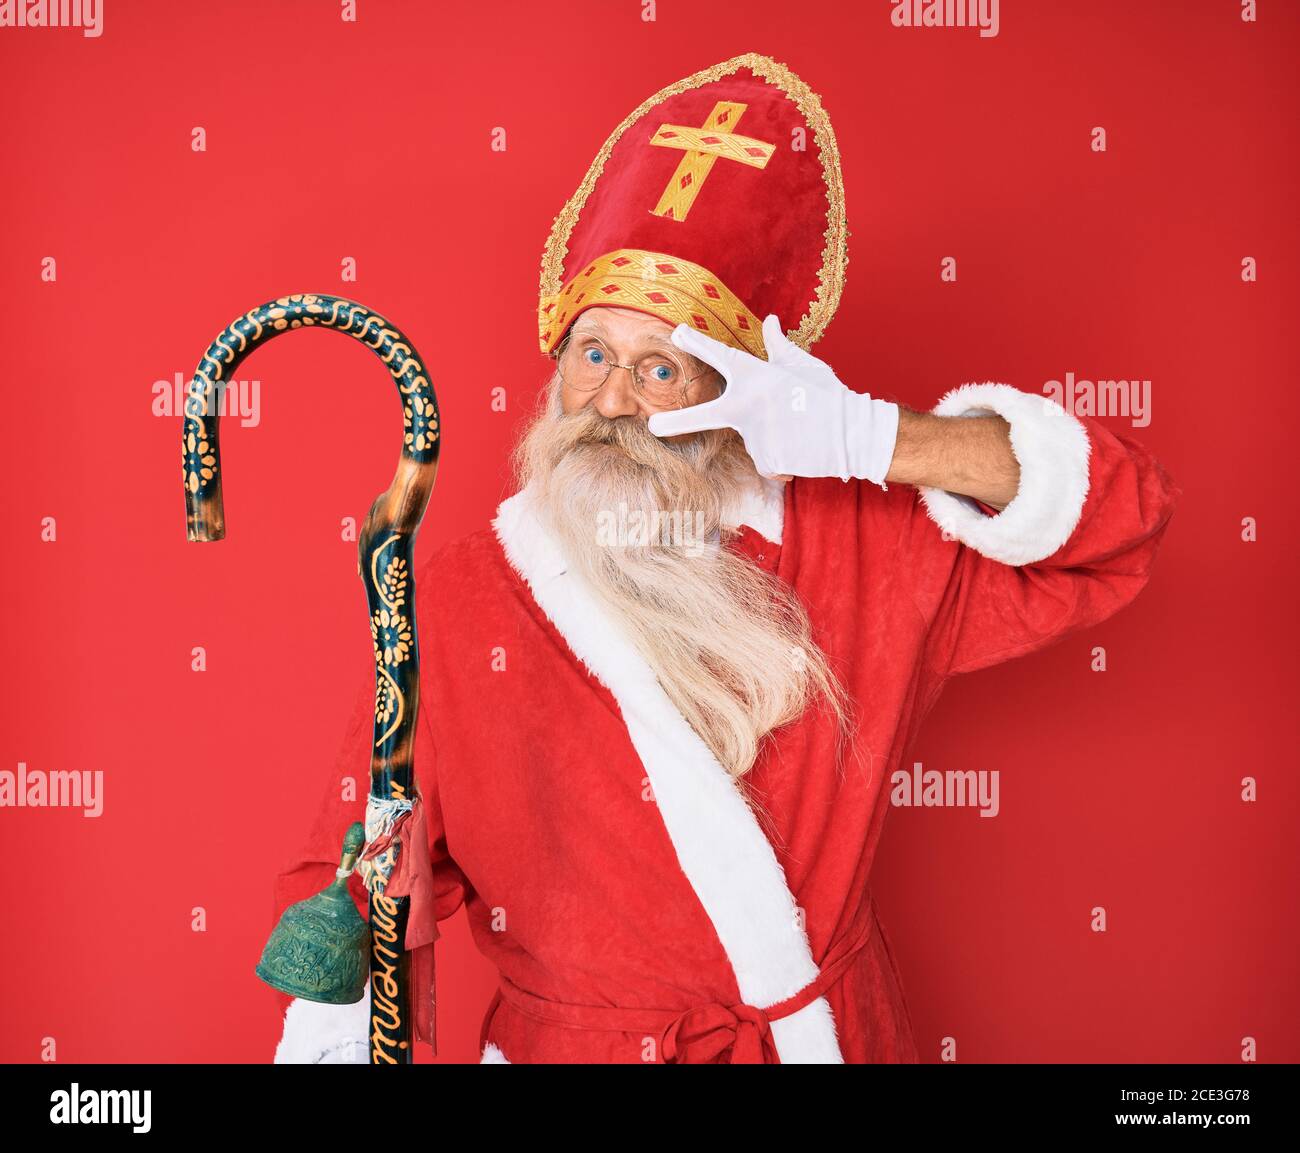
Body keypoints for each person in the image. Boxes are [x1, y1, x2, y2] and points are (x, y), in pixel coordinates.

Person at [269, 52, 1180, 1064]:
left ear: (731, 394)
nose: (610, 401)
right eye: (592, 354)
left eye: (658, 366)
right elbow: (354, 871)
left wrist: (869, 439)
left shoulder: (862, 546)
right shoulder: (465, 596)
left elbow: (1118, 515)